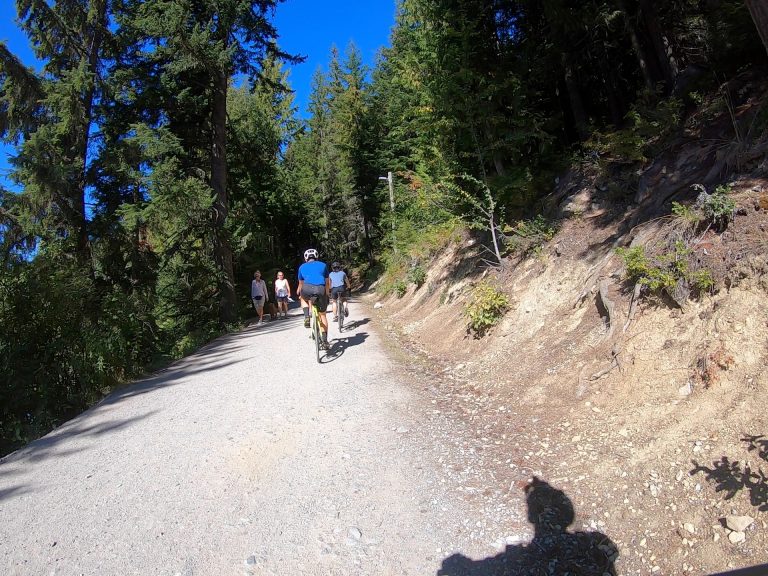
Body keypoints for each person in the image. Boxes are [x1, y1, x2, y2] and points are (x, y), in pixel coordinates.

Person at [296, 248, 331, 349]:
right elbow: (327, 282)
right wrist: (327, 294)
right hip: (320, 289)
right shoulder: (323, 265)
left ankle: (307, 316)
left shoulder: (302, 267)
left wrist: (299, 292)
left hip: (307, 288)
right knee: (323, 315)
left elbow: (301, 283)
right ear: (316, 256)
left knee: (302, 298)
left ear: (306, 258)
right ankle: (325, 341)